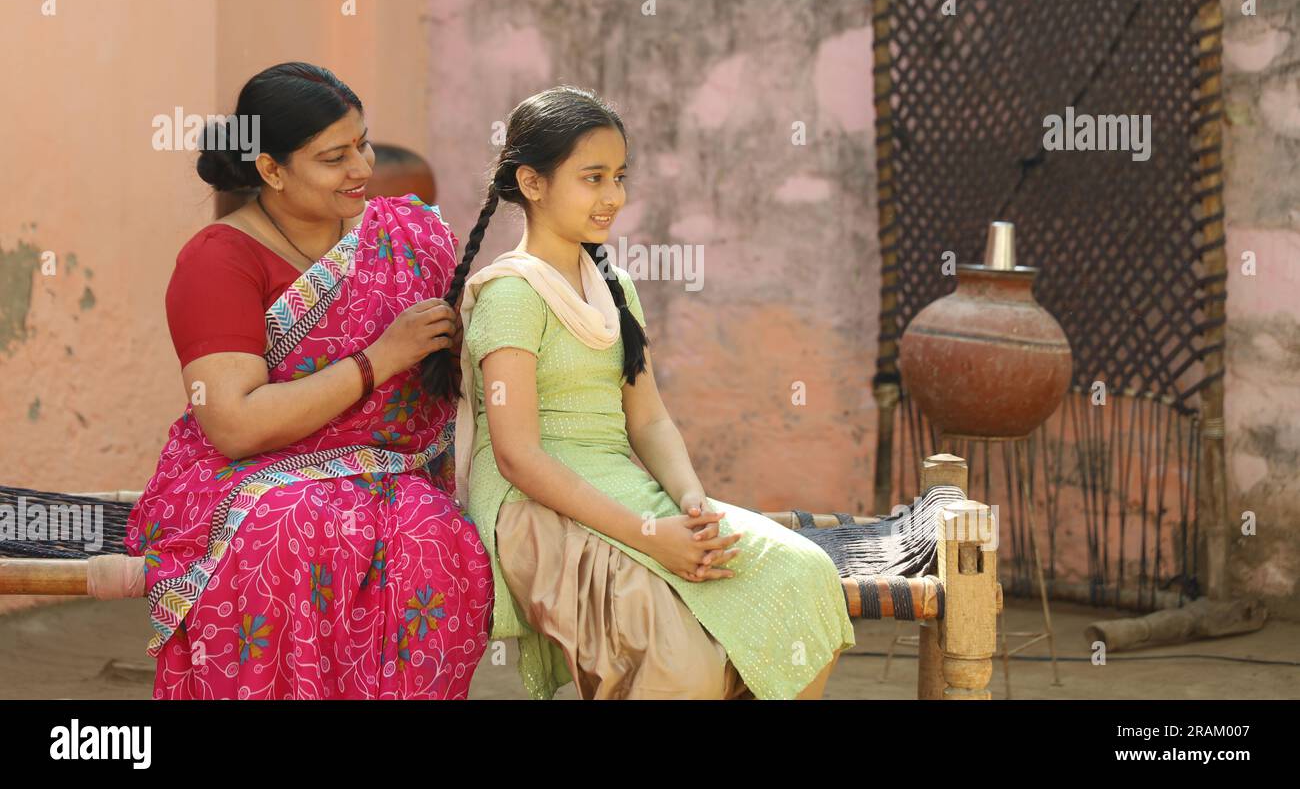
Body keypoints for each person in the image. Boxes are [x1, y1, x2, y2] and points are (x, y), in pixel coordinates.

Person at [420, 85, 855, 699]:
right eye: (593, 177)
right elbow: (517, 455)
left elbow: (648, 419)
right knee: (680, 657)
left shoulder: (614, 287)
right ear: (533, 183)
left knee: (801, 576)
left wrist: (690, 502)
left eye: (619, 177)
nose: (613, 197)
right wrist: (650, 535)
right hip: (533, 505)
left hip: (623, 488)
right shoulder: (511, 296)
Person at [125, 61, 492, 699]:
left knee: (435, 537)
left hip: (391, 471)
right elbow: (235, 425)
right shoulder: (219, 259)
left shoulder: (405, 237)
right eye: (333, 158)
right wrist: (382, 358)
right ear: (270, 170)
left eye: (362, 144)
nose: (361, 169)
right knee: (294, 528)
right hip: (253, 479)